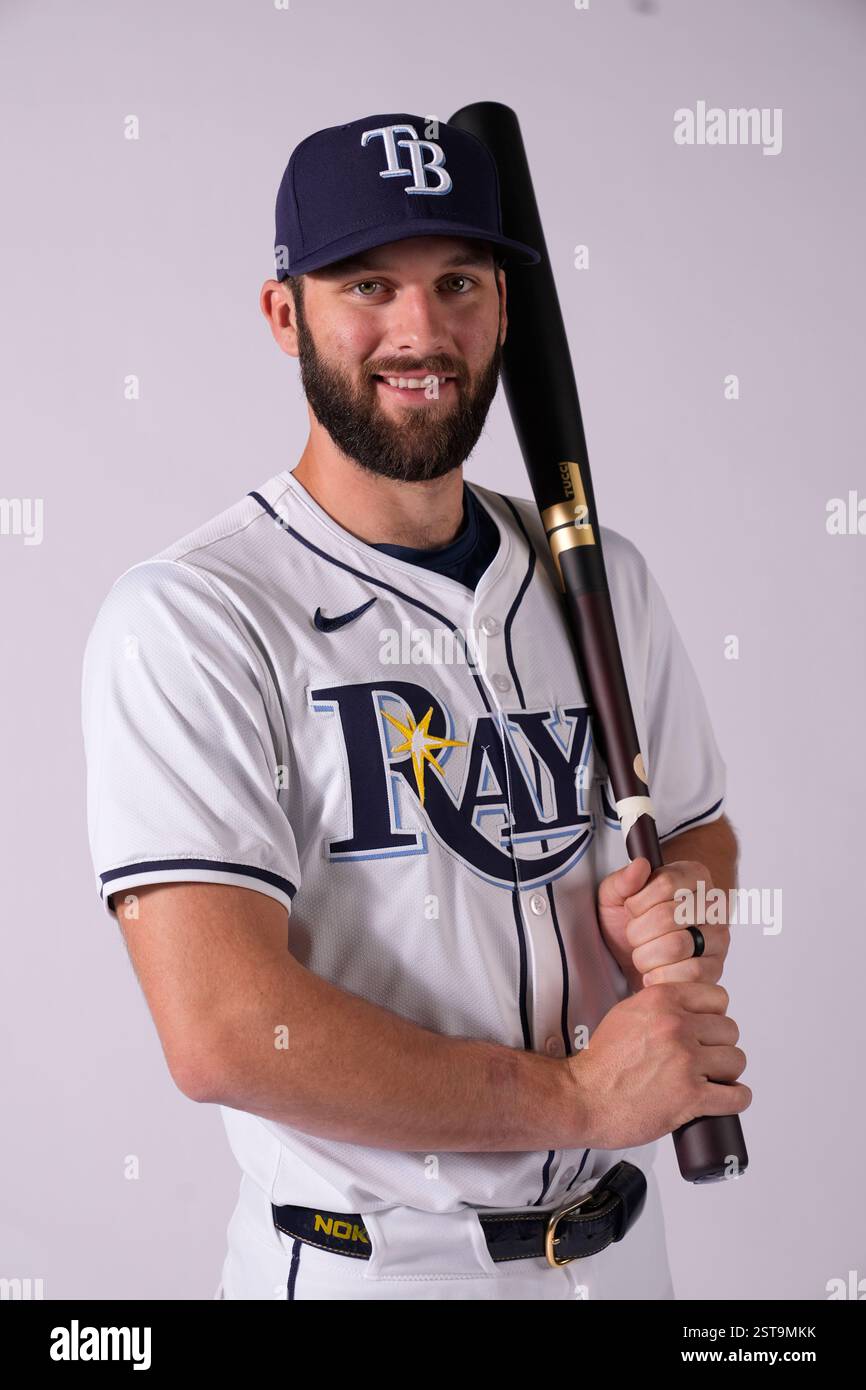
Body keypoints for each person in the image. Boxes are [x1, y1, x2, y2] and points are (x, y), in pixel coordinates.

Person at [81, 112, 750, 1301]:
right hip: (378, 1273)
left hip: (619, 1258)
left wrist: (681, 920)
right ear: (284, 312)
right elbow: (223, 1028)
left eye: (456, 281)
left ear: (504, 309)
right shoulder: (193, 617)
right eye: (367, 284)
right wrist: (578, 1097)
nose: (420, 330)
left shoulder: (600, 579)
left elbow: (694, 832)